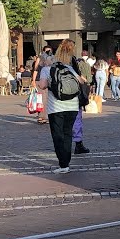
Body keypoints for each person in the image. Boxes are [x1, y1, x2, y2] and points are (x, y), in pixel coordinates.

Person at [38, 39, 85, 174]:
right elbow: (81, 81)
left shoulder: (47, 69)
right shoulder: (69, 68)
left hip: (56, 107)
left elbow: (42, 85)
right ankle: (66, 162)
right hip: (72, 106)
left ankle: (63, 164)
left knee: (58, 135)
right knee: (67, 133)